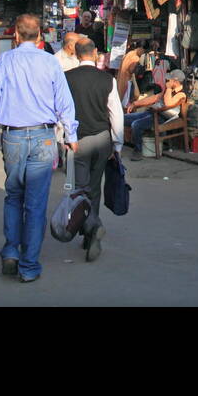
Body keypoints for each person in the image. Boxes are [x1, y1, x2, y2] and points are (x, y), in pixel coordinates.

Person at [0, 13, 77, 283]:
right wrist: (71, 133)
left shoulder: (5, 61)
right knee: (35, 204)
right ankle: (29, 265)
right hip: (44, 137)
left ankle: (11, 250)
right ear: (40, 38)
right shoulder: (50, 61)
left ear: (16, 36)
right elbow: (64, 101)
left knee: (14, 196)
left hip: (13, 137)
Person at [64, 39, 123, 261]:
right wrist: (117, 144)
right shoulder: (107, 79)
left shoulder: (67, 78)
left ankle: (90, 227)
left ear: (76, 54)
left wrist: (63, 138)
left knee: (80, 189)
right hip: (102, 138)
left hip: (78, 141)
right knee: (94, 187)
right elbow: (115, 114)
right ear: (95, 53)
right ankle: (90, 231)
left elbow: (62, 111)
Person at [125, 70, 186, 160]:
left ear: (175, 81)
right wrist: (135, 103)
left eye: (169, 80)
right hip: (152, 113)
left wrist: (168, 88)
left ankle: (138, 150)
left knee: (136, 125)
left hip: (161, 117)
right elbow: (154, 98)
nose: (167, 81)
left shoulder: (181, 94)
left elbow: (168, 103)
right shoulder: (168, 90)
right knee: (122, 118)